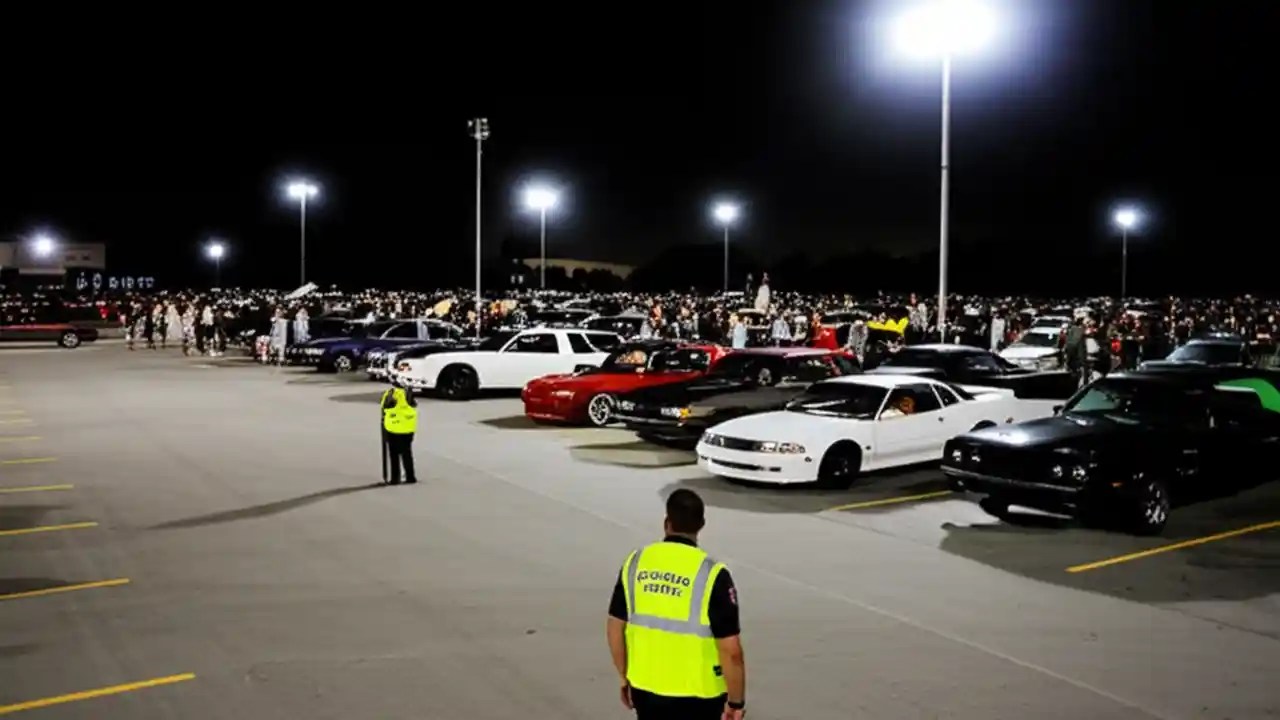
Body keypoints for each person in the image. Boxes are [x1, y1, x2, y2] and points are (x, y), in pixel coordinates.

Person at [607, 489, 746, 720]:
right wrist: (736, 702)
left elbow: (614, 627)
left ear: (666, 522)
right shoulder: (712, 574)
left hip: (646, 688)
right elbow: (731, 651)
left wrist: (624, 677)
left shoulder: (635, 563)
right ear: (701, 524)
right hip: (701, 697)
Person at [380, 382, 418, 485]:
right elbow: (414, 405)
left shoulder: (390, 393)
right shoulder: (408, 394)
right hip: (408, 427)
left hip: (393, 428)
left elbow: (384, 408)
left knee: (394, 454)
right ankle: (410, 476)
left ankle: (395, 478)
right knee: (407, 452)